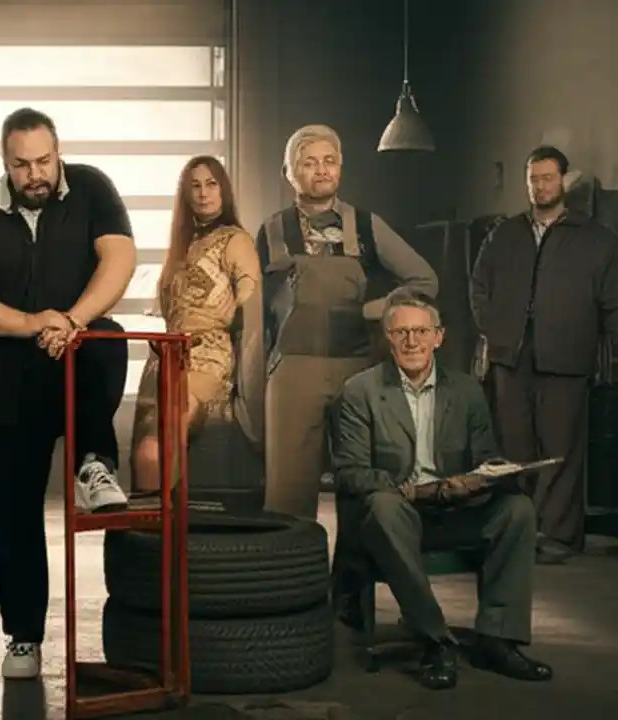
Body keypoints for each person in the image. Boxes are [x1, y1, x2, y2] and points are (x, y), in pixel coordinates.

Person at [0, 107, 134, 680]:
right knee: (17, 516)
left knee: (107, 334)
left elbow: (120, 259)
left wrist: (71, 320)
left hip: (74, 365)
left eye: (44, 161)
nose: (35, 174)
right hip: (8, 386)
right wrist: (34, 322)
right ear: (5, 163)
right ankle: (23, 638)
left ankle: (94, 466)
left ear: (59, 152)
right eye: (21, 164)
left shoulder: (93, 188)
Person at [331, 289, 552, 691]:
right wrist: (409, 491)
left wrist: (490, 475)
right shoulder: (360, 391)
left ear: (439, 336)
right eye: (401, 333)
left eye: (421, 331)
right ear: (388, 338)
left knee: (516, 510)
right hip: (395, 519)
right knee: (384, 507)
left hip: (454, 513)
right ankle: (435, 640)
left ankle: (498, 640)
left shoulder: (466, 391)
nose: (412, 341)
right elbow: (350, 472)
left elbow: (485, 455)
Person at [257, 124, 439, 519]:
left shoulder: (369, 226)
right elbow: (255, 312)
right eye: (309, 163)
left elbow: (425, 280)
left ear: (341, 167)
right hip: (293, 371)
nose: (321, 170)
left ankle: (353, 577)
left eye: (329, 161)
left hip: (356, 370)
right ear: (289, 172)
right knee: (286, 492)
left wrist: (377, 310)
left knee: (362, 484)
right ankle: (290, 574)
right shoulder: (272, 230)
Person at [470, 145, 618, 564]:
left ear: (563, 181)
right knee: (513, 450)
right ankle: (518, 533)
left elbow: (613, 302)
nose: (540, 186)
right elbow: (478, 287)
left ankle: (558, 536)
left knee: (561, 451)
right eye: (533, 179)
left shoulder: (597, 240)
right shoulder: (505, 234)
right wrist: (494, 329)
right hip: (511, 358)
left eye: (548, 178)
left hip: (567, 357)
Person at [130, 156, 263, 497]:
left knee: (170, 426)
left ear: (224, 189)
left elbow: (251, 310)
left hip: (209, 351)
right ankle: (153, 535)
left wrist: (249, 375)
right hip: (163, 356)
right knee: (145, 449)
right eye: (195, 185)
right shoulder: (178, 247)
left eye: (211, 184)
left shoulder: (236, 240)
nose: (204, 193)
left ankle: (172, 534)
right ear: (185, 194)